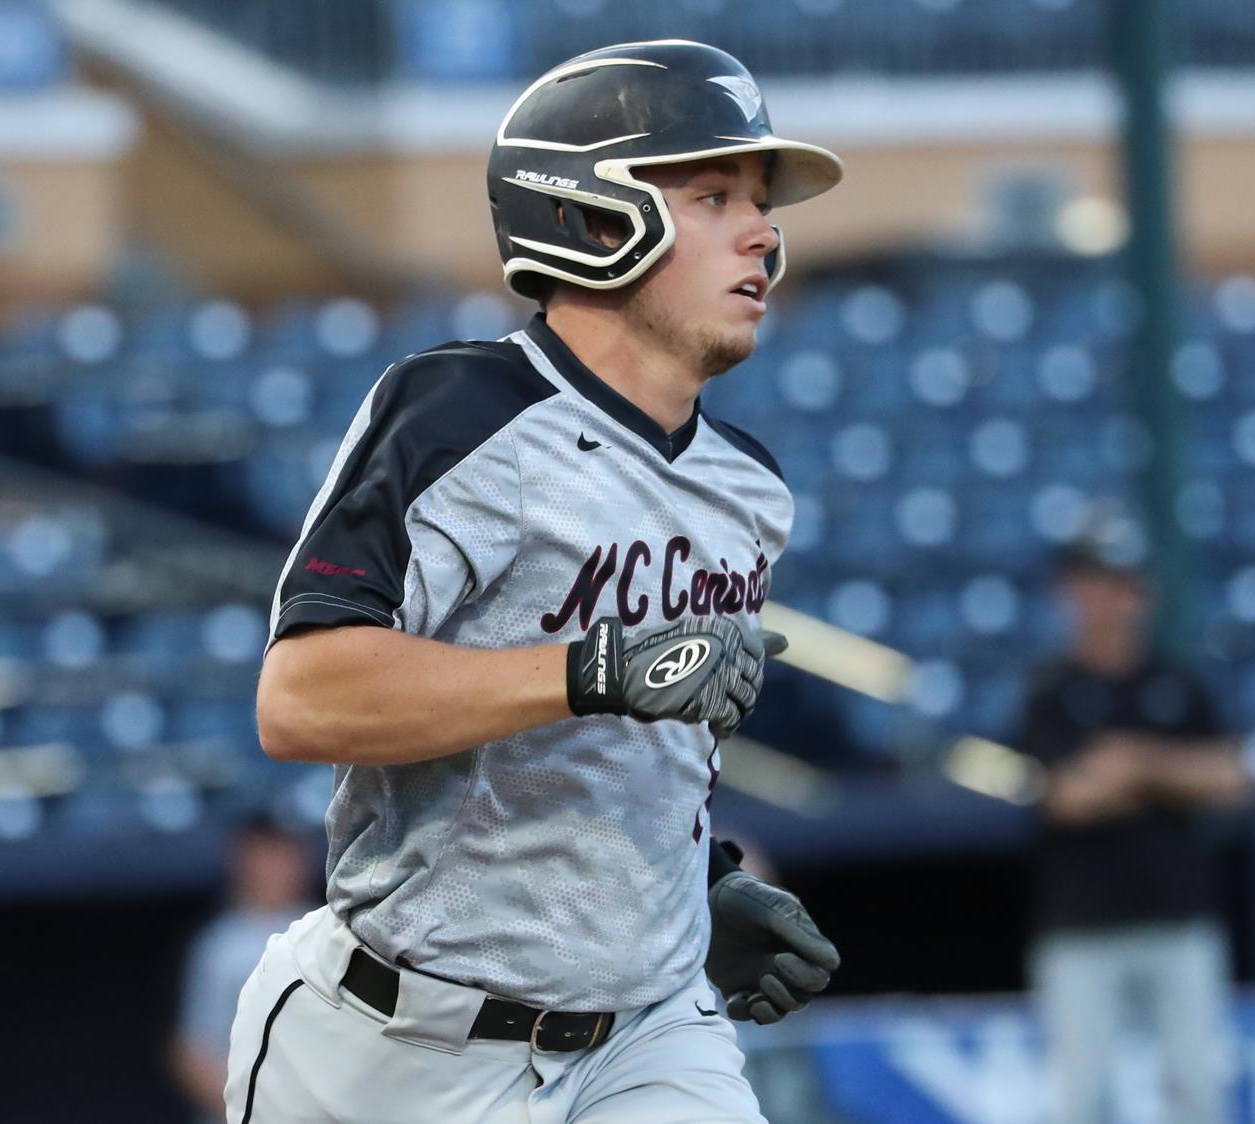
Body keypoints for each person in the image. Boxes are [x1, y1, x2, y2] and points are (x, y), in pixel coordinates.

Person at [228, 40, 844, 1124]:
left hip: (648, 1037)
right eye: (711, 195)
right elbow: (303, 696)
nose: (763, 233)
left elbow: (648, 747)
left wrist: (701, 887)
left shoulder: (749, 486)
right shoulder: (460, 412)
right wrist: (593, 667)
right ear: (591, 216)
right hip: (398, 1042)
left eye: (758, 203)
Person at [1016, 541, 1252, 1124]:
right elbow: (1062, 798)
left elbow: (1233, 779)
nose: (1109, 602)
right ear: (1072, 595)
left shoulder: (1177, 682)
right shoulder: (1053, 690)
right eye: (1094, 586)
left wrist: (1135, 761)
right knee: (1085, 1098)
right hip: (1082, 930)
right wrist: (1175, 775)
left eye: (1121, 586)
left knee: (1197, 1091)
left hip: (1180, 920)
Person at [172, 814, 319, 1124]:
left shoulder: (330, 934)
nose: (273, 869)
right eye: (263, 856)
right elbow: (192, 1054)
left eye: (282, 855)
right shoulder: (219, 946)